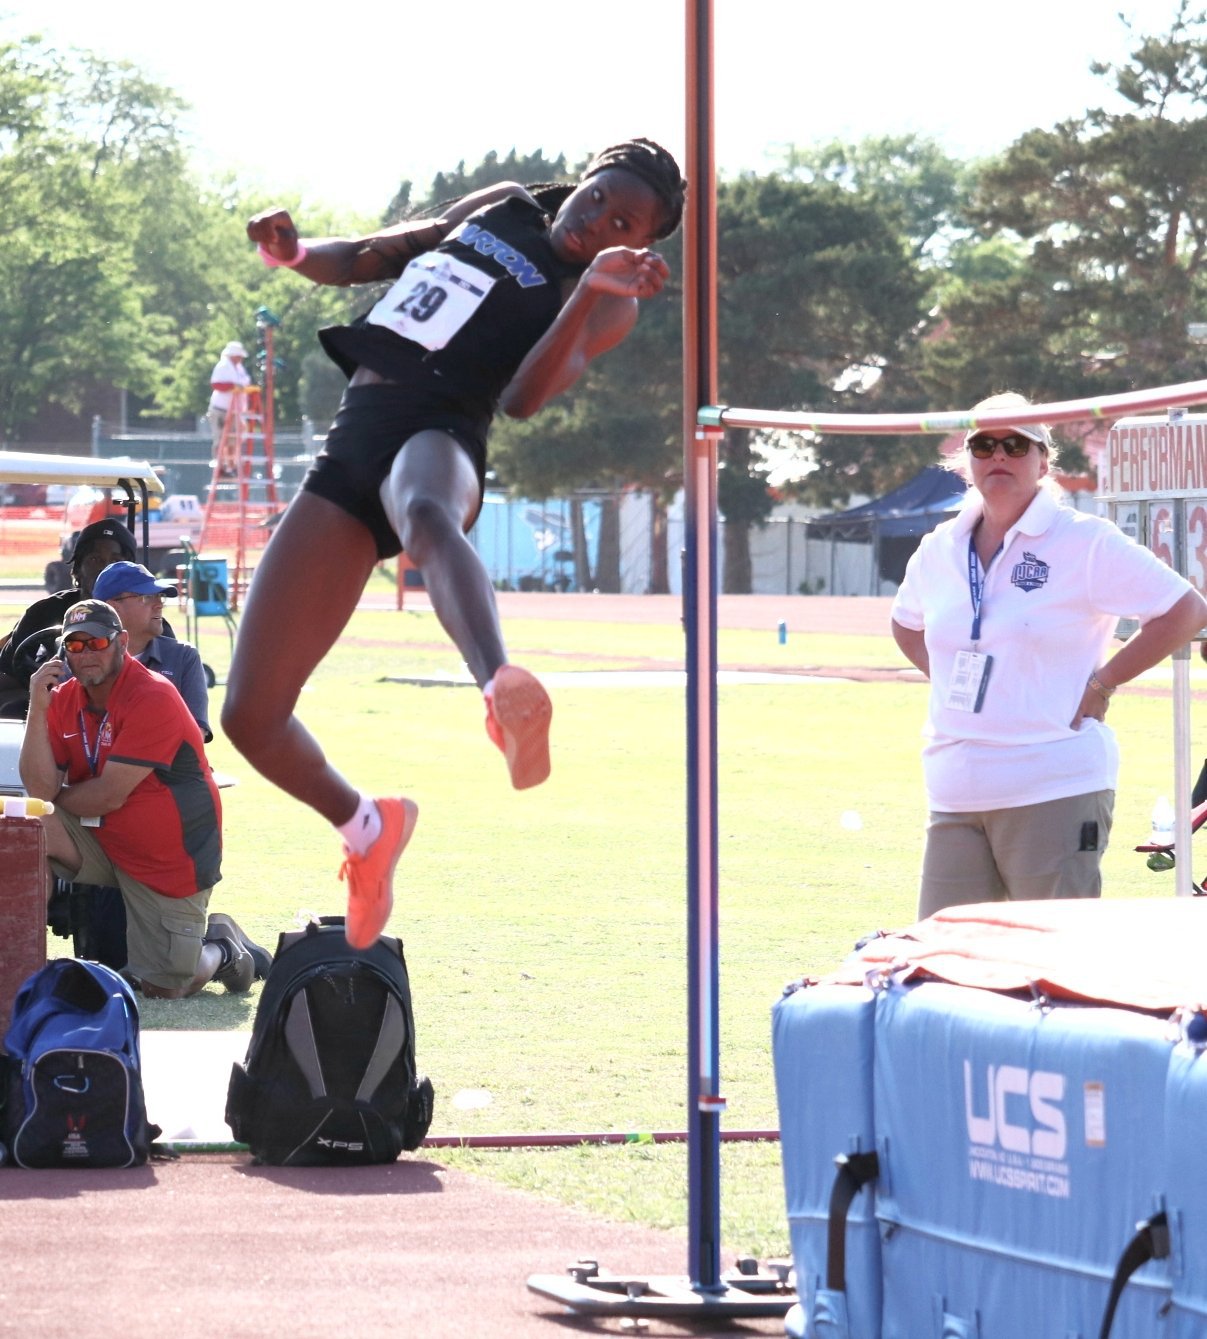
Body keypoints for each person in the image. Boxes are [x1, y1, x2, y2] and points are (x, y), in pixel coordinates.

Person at [223, 138, 687, 951]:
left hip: (442, 430)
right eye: (597, 197)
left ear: (641, 245)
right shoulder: (501, 204)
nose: (597, 221)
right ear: (577, 182)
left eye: (623, 223)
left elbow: (522, 398)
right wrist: (293, 253)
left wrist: (588, 292)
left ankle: (499, 689)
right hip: (352, 439)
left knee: (428, 516)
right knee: (251, 718)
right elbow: (374, 254)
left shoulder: (608, 300)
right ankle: (367, 825)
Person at [891, 391, 1207, 918]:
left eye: (1016, 445)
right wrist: (950, 682)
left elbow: (1186, 610)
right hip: (954, 789)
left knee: (1050, 967)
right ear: (965, 460)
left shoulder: (1082, 541)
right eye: (984, 444)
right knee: (948, 961)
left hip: (1054, 785)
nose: (999, 457)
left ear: (1043, 460)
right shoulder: (940, 546)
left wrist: (1103, 684)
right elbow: (905, 625)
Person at [20, 599, 253, 997]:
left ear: (122, 642)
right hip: (104, 840)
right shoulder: (62, 697)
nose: (87, 654)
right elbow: (38, 792)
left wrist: (57, 797)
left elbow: (108, 796)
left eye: (97, 642)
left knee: (163, 987)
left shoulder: (152, 695)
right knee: (21, 830)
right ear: (64, 651)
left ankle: (222, 949)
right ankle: (19, 964)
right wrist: (37, 707)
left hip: (167, 857)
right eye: (75, 645)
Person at [0, 519, 137, 696]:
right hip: (44, 705)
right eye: (95, 559)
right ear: (78, 569)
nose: (105, 569)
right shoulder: (43, 612)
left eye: (116, 561)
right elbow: (7, 670)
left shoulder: (145, 618)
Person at [93, 560, 211, 741]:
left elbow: (196, 735)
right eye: (147, 597)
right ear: (113, 608)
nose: (159, 604)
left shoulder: (183, 657)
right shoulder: (80, 659)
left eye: (159, 596)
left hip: (168, 769)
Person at [207, 339, 252, 476]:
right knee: (220, 439)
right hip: (219, 409)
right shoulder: (223, 366)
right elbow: (216, 384)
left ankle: (231, 466)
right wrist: (232, 387)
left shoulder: (238, 368)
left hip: (233, 410)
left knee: (233, 440)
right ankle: (220, 466)